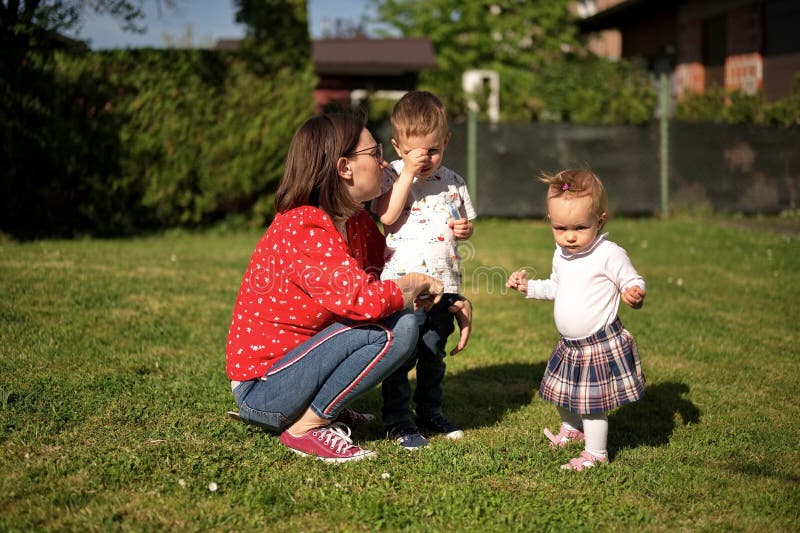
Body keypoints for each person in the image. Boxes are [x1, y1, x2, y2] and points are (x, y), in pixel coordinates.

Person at [225, 112, 451, 463]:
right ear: (345, 167)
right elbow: (365, 301)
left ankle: (322, 408)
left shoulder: (356, 222)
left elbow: (390, 268)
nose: (382, 162)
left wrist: (448, 297)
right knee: (397, 328)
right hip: (264, 390)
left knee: (403, 316)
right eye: (375, 153)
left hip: (299, 369)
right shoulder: (304, 224)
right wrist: (416, 283)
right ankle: (306, 427)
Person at [506, 169, 646, 471]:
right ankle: (571, 430)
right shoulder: (562, 253)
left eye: (580, 227)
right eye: (560, 227)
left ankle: (596, 453)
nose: (570, 236)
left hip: (597, 344)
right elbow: (556, 286)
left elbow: (631, 278)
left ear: (601, 219)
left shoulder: (609, 253)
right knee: (562, 392)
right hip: (569, 345)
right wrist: (529, 287)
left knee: (593, 405)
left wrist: (635, 291)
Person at [371, 91, 476, 449]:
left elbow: (464, 222)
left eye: (433, 150)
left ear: (445, 141)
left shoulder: (454, 181)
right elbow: (386, 216)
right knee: (400, 357)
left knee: (433, 354)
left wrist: (465, 229)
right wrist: (408, 175)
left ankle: (429, 409)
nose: (426, 159)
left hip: (443, 286)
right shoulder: (391, 178)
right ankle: (398, 419)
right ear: (398, 146)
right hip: (404, 290)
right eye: (417, 152)